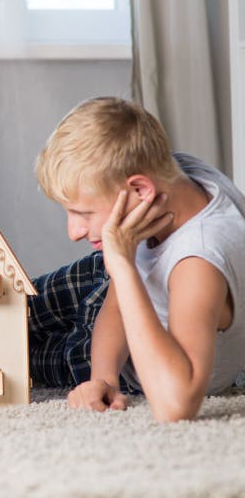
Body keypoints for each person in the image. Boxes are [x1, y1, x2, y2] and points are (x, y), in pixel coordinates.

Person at [29, 97, 245, 422]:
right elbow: (116, 302)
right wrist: (103, 377)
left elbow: (176, 405)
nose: (73, 232)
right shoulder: (175, 174)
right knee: (5, 308)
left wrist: (102, 384)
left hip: (131, 350)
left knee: (4, 355)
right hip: (117, 270)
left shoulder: (197, 264)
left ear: (141, 191)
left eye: (83, 213)